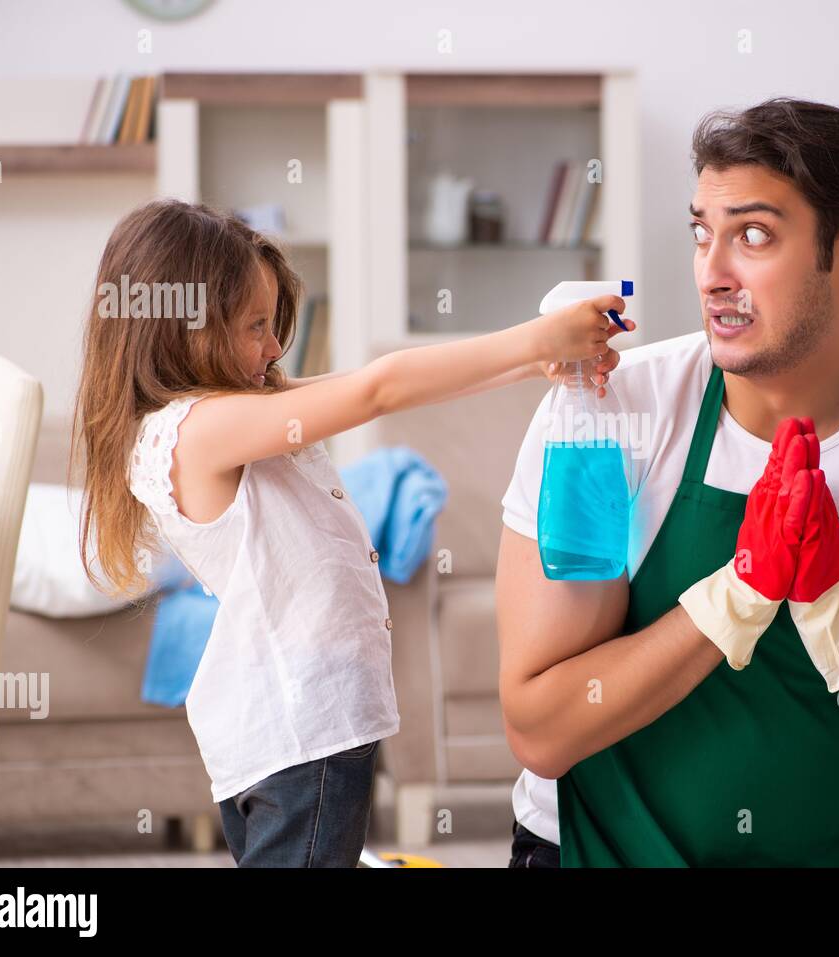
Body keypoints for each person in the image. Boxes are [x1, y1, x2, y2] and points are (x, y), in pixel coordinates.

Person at [497, 99, 839, 867]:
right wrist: (736, 596)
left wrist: (838, 614)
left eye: (752, 235)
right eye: (701, 233)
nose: (713, 274)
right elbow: (544, 728)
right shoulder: (606, 413)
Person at [73, 199, 632, 866]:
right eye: (257, 326)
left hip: (308, 730)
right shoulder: (192, 431)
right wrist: (539, 339)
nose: (275, 348)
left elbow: (380, 387)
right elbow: (377, 390)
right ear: (186, 329)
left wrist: (530, 361)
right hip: (296, 735)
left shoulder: (228, 417)